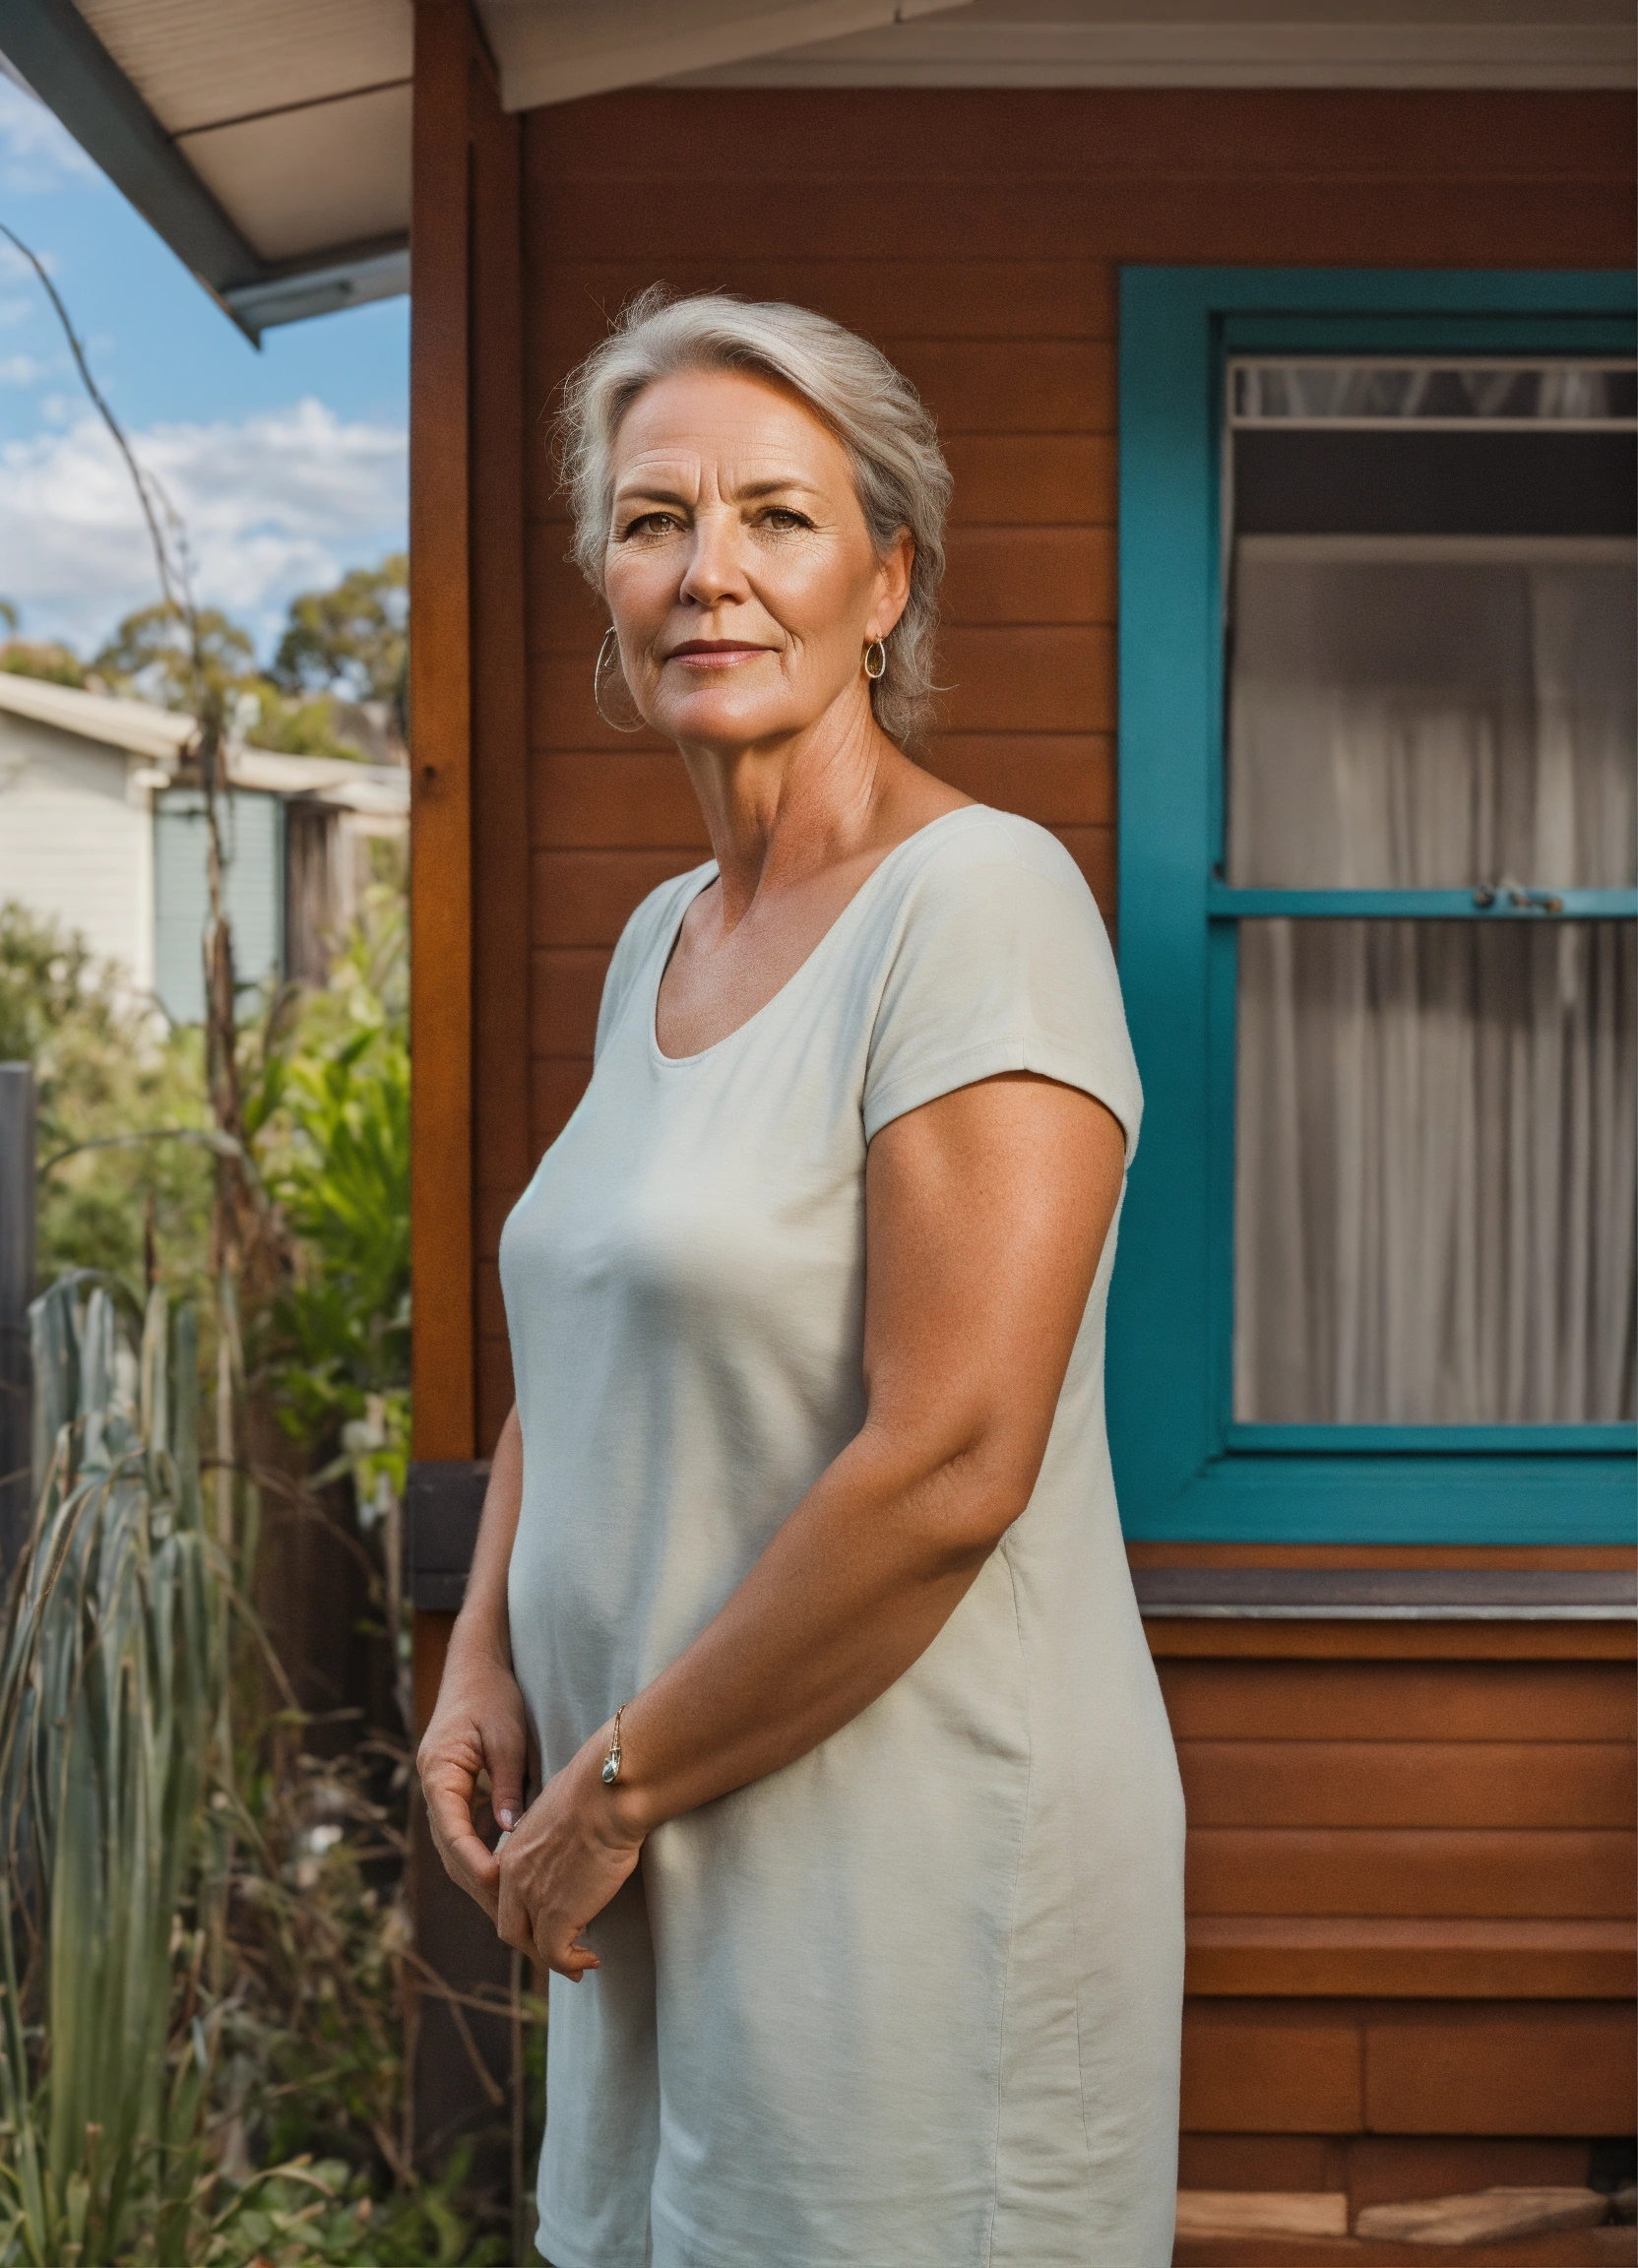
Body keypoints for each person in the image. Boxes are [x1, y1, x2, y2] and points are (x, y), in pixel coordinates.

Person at [417, 288, 1185, 2268]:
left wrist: (609, 1787)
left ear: (883, 581)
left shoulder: (981, 905)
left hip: (895, 1857)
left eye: (775, 518)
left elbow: (952, 1458)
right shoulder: (665, 933)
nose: (709, 574)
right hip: (658, 1832)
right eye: (655, 519)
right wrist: (485, 1653)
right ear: (601, 575)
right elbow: (586, 1337)